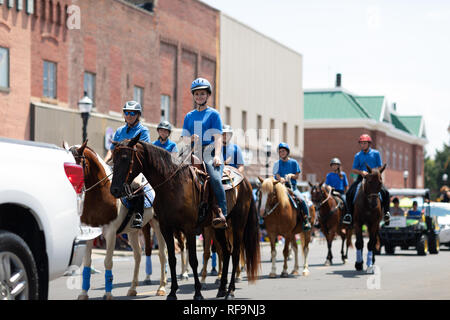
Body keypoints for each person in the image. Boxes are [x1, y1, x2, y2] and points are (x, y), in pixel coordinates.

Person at [181, 77, 227, 229]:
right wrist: (190, 139)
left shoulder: (214, 114)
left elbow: (218, 137)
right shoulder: (189, 116)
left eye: (202, 94)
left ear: (208, 95)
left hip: (210, 151)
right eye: (197, 94)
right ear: (193, 96)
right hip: (193, 150)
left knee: (214, 178)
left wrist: (218, 156)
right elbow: (184, 139)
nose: (199, 96)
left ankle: (222, 212)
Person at [104, 100, 151, 229]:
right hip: (119, 166)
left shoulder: (143, 131)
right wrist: (105, 162)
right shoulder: (119, 131)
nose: (129, 115)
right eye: (126, 112)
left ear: (138, 115)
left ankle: (138, 215)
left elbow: (143, 153)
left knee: (136, 184)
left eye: (132, 113)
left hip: (135, 168)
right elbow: (112, 150)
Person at [343, 134, 391, 225]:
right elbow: (354, 169)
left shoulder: (376, 153)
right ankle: (348, 214)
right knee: (349, 193)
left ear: (369, 144)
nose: (362, 145)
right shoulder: (357, 155)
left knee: (386, 193)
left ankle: (386, 213)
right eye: (361, 143)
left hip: (374, 178)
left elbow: (380, 166)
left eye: (364, 143)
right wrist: (361, 172)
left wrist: (374, 172)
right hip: (362, 177)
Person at [273, 142, 311, 230]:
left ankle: (306, 220)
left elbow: (297, 175)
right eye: (280, 151)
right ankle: (264, 219)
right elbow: (276, 174)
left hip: (292, 187)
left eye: (283, 151)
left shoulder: (294, 162)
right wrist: (280, 179)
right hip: (280, 187)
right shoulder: (276, 163)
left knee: (302, 200)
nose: (281, 153)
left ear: (287, 152)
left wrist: (291, 175)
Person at [325, 157, 349, 222]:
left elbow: (346, 186)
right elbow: (326, 185)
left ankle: (347, 216)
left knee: (345, 201)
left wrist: (345, 193)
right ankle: (319, 220)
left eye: (336, 165)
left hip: (340, 193)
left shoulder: (343, 174)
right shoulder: (329, 175)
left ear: (338, 166)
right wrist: (329, 187)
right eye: (333, 165)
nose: (334, 166)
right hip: (331, 192)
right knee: (323, 202)